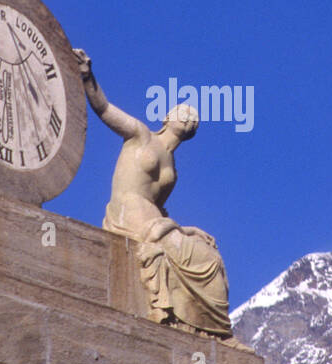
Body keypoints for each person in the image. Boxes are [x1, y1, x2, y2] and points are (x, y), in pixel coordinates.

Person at [74, 48, 232, 337]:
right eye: (184, 113)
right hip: (129, 217)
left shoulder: (173, 167)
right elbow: (105, 109)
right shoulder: (140, 135)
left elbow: (161, 211)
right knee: (181, 247)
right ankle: (176, 316)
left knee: (210, 257)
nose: (189, 118)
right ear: (167, 117)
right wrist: (88, 77)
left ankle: (210, 331)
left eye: (193, 118)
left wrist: (189, 229)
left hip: (154, 222)